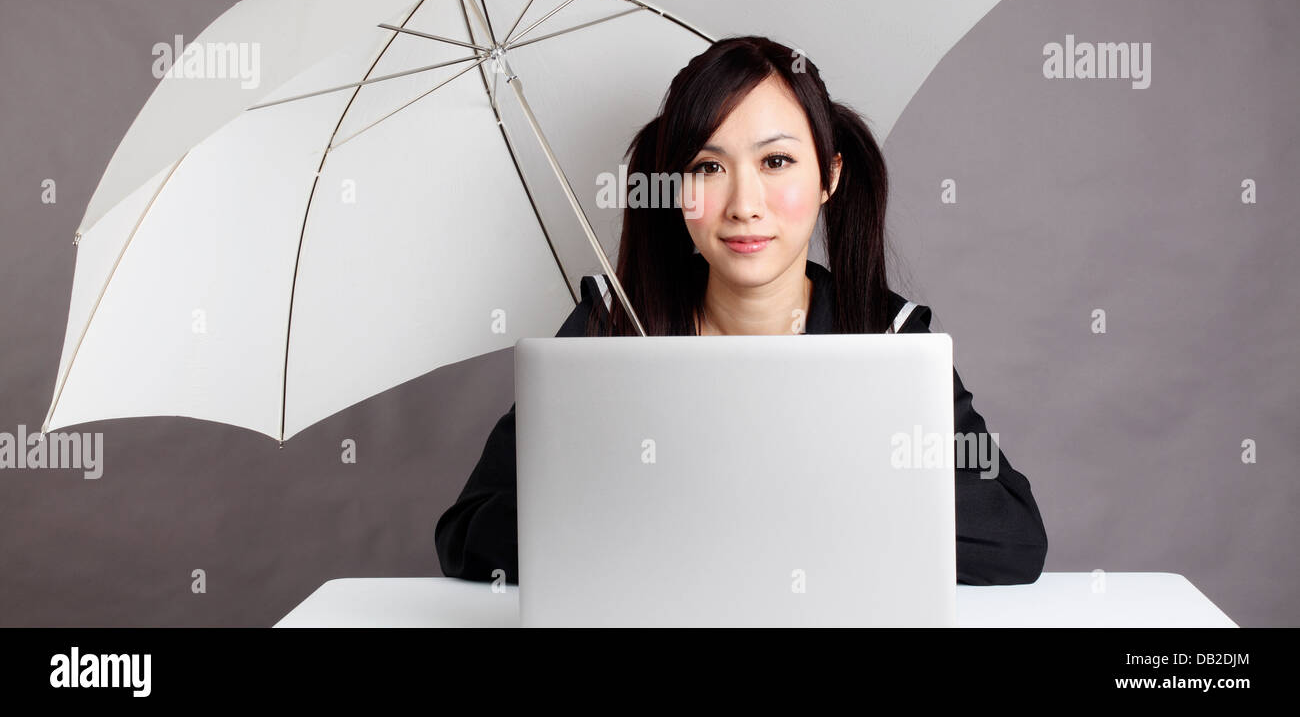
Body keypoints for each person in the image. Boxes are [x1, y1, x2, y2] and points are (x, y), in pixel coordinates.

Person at [435, 36, 1048, 586]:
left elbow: (1013, 541)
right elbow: (466, 539)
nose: (744, 203)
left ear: (829, 176)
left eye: (776, 161)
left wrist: (798, 485)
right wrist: (626, 479)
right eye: (708, 168)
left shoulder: (889, 335)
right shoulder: (611, 327)